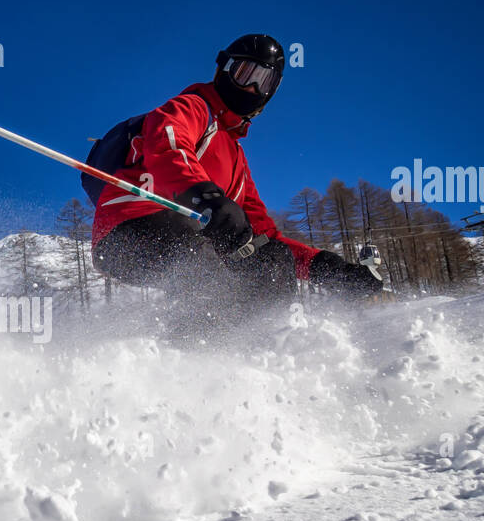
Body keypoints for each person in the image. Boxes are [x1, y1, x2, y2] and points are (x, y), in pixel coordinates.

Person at [89, 34, 382, 316]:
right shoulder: (192, 107)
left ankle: (248, 347)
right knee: (200, 255)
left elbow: (266, 235)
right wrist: (208, 197)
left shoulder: (237, 164)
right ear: (224, 70)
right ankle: (190, 345)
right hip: (126, 234)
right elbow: (168, 146)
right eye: (245, 73)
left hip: (190, 242)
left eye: (264, 81)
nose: (252, 87)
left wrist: (329, 269)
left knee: (271, 261)